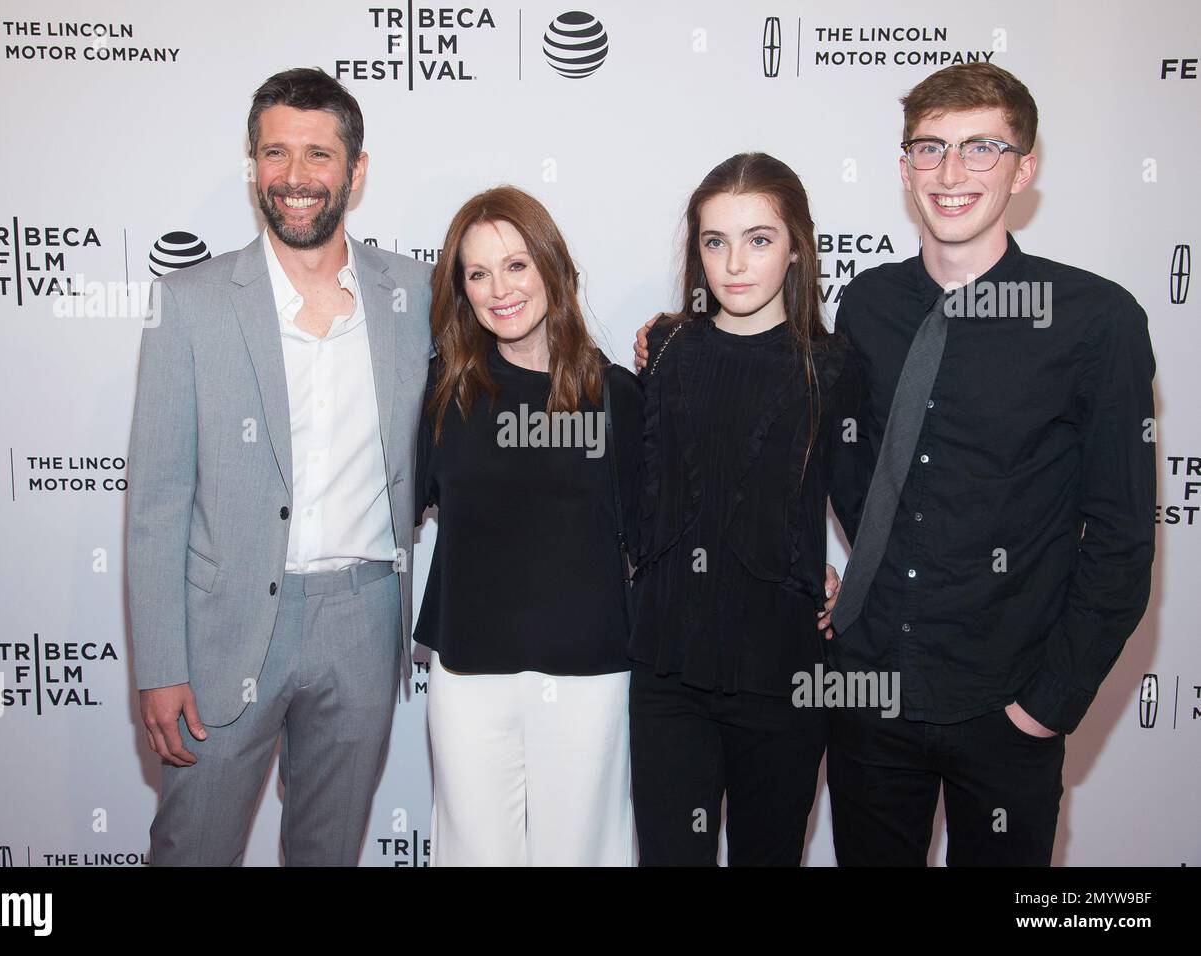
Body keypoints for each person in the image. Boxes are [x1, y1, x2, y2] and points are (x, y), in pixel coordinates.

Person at [640, 63, 1157, 866]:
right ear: (905, 165)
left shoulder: (1097, 322)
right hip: (868, 697)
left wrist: (1047, 704)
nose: (951, 174)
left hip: (1004, 706)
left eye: (981, 148)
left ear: (1025, 169)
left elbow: (1123, 538)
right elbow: (837, 463)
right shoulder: (868, 307)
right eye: (930, 148)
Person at [127, 67, 433, 865]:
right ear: (253, 164)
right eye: (275, 154)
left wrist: (659, 341)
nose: (295, 178)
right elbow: (157, 502)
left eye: (319, 156)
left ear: (356, 171)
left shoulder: (417, 295)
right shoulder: (190, 301)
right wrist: (160, 665)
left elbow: (524, 343)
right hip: (226, 630)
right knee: (192, 848)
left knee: (329, 853)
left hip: (365, 620)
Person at [628, 153, 861, 866]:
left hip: (784, 675)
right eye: (714, 240)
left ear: (796, 248)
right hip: (669, 673)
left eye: (759, 239)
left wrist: (859, 583)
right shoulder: (665, 348)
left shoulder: (836, 367)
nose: (735, 263)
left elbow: (877, 500)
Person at [415, 186, 642, 866]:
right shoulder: (441, 393)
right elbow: (386, 504)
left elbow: (659, 539)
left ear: (552, 267)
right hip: (468, 676)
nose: (498, 289)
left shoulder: (616, 395)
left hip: (590, 677)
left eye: (516, 265)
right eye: (477, 274)